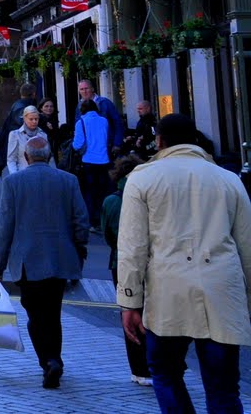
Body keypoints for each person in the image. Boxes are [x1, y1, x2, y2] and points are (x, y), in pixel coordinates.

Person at [118, 113, 251, 414]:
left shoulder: (142, 178)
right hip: (221, 290)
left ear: (159, 141)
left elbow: (132, 248)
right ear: (195, 140)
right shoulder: (229, 180)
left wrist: (129, 302)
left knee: (165, 373)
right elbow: (247, 246)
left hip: (167, 290)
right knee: (223, 388)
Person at [0, 134, 89, 389]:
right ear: (49, 156)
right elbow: (81, 219)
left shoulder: (13, 182)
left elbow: (5, 226)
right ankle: (54, 358)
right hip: (59, 260)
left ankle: (48, 361)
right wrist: (79, 249)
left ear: (26, 157)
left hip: (27, 262)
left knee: (35, 315)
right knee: (53, 313)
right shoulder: (68, 180)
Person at [101, 154, 152, 387]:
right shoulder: (148, 196)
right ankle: (156, 362)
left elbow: (108, 235)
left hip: (120, 263)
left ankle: (139, 370)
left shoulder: (111, 201)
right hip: (150, 263)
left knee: (130, 312)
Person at [71, 99, 113, 229]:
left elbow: (77, 144)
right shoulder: (104, 121)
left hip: (88, 161)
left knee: (89, 192)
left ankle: (91, 220)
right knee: (102, 191)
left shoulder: (81, 122)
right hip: (104, 160)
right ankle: (102, 219)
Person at [0, 84, 39, 176]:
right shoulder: (22, 108)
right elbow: (11, 159)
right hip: (21, 143)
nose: (34, 121)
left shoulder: (18, 105)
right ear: (33, 94)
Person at [76, 78, 124, 153]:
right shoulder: (79, 106)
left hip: (107, 146)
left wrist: (117, 144)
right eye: (81, 89)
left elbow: (118, 123)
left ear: (92, 89)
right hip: (88, 148)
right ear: (79, 91)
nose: (84, 91)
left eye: (86, 88)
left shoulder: (105, 103)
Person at [6, 106, 46, 176]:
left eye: (36, 119)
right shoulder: (15, 135)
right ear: (24, 118)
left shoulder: (43, 135)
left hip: (40, 175)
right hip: (22, 174)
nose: (34, 121)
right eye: (31, 119)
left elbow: (47, 158)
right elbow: (11, 159)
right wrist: (15, 176)